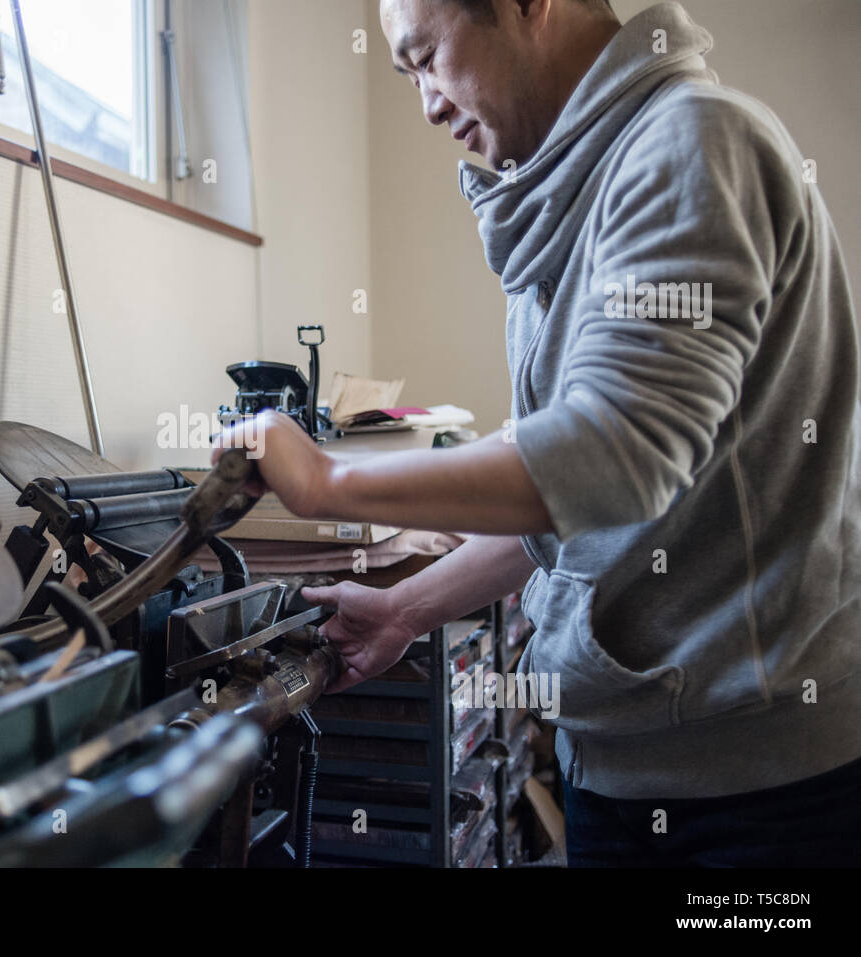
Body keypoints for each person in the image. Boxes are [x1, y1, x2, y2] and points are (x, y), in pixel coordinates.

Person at [213, 0, 861, 866]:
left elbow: (613, 453)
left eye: (429, 57)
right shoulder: (569, 197)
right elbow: (562, 499)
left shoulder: (693, 143)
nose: (428, 104)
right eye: (406, 77)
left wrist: (327, 480)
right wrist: (405, 607)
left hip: (757, 793)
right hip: (617, 763)